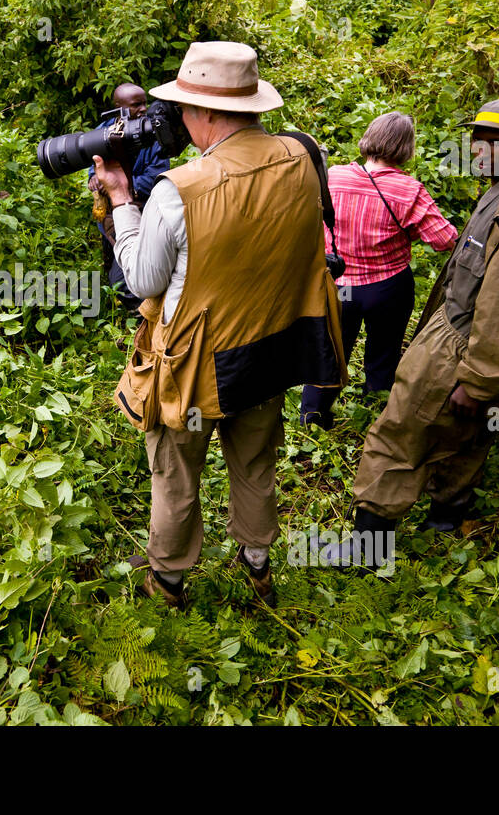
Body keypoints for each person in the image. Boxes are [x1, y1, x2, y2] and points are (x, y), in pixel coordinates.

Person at [92, 41, 346, 608]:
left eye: (183, 106)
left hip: (196, 367)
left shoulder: (177, 191)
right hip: (273, 346)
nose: (179, 118)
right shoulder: (304, 156)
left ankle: (169, 579)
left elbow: (141, 281)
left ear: (206, 112)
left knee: (176, 473)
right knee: (256, 464)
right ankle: (258, 566)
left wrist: (120, 201)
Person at [326, 97, 499, 570]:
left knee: (397, 435)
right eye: (476, 136)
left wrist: (479, 380)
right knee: (466, 433)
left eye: (491, 141)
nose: (476, 147)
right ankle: (446, 519)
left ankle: (368, 550)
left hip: (461, 344)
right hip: (458, 334)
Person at [299, 112, 457, 429]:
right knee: (383, 355)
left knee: (328, 349)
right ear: (406, 148)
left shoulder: (333, 176)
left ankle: (312, 420)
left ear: (369, 138)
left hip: (337, 283)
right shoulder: (409, 190)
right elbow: (444, 240)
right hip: (387, 288)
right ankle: (375, 418)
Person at [87, 84, 170, 310]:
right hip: (112, 215)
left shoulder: (152, 133)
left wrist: (124, 188)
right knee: (114, 264)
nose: (143, 109)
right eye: (136, 105)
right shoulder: (103, 132)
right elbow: (92, 166)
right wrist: (95, 179)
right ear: (119, 108)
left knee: (128, 278)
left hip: (143, 212)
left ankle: (152, 311)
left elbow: (157, 175)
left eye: (145, 103)